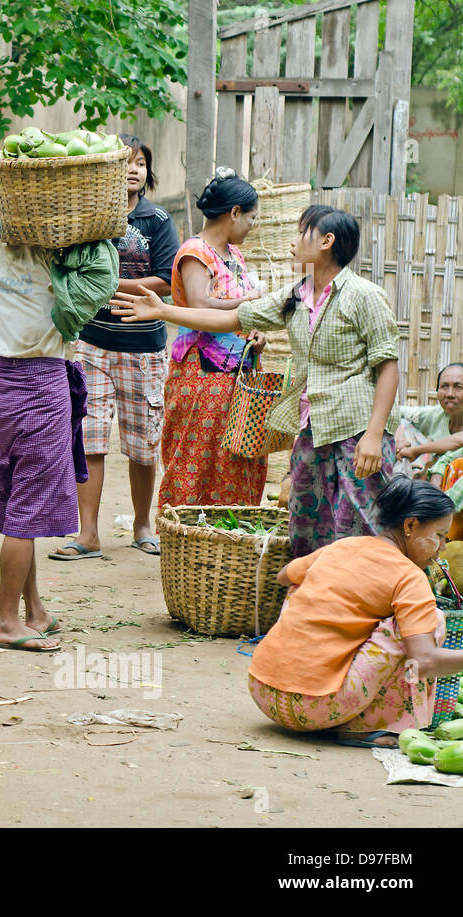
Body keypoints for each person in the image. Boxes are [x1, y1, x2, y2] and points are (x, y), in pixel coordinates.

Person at [114, 204, 400, 557]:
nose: (293, 243)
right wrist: (162, 310)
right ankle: (314, 602)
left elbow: (387, 365)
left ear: (327, 241)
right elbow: (234, 317)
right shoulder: (297, 296)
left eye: (302, 233)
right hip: (313, 427)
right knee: (308, 524)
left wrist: (374, 435)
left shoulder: (364, 295)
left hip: (357, 429)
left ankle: (370, 604)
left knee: (362, 525)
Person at [0, 211, 115, 650]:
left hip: (2, 384)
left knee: (18, 506)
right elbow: (101, 265)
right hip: (41, 384)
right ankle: (3, 621)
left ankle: (34, 611)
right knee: (26, 513)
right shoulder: (51, 263)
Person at [247, 476, 463, 746]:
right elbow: (425, 660)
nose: (442, 547)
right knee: (432, 620)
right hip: (316, 708)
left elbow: (284, 576)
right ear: (410, 525)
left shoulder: (343, 546)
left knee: (299, 588)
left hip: (263, 691)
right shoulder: (409, 576)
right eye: (440, 536)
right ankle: (363, 727)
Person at [52, 133, 180, 560]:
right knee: (90, 439)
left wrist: (110, 285)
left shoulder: (157, 221)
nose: (133, 169)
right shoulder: (91, 219)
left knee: (143, 444)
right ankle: (87, 534)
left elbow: (167, 279)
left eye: (141, 163)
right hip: (93, 344)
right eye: (126, 162)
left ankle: (144, 525)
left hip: (143, 350)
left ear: (148, 172)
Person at [145, 169, 269, 510]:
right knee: (195, 457)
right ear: (234, 213)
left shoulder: (234, 255)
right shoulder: (195, 252)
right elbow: (201, 305)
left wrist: (255, 333)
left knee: (235, 458)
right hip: (201, 379)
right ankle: (185, 538)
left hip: (238, 377)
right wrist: (252, 304)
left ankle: (225, 540)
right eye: (251, 217)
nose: (252, 225)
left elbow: (236, 314)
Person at [397, 363, 463, 479]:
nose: (450, 394)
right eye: (444, 386)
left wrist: (415, 451)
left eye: (458, 387)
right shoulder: (435, 415)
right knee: (403, 424)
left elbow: (460, 439)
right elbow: (394, 412)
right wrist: (399, 435)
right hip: (429, 483)